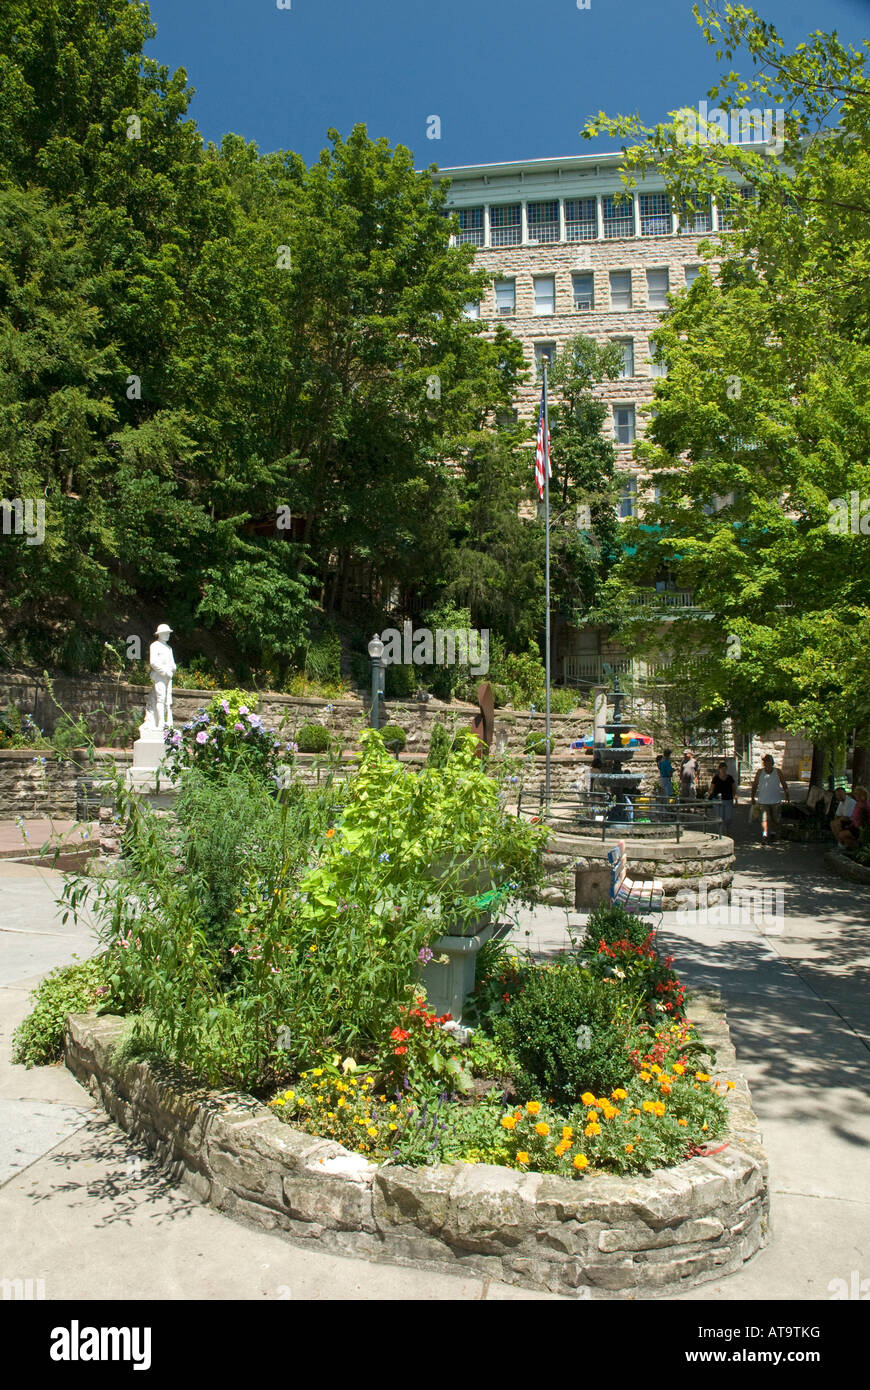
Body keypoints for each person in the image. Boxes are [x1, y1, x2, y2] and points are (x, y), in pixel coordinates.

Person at [750, 754, 790, 842]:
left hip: (775, 801)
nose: (766, 763)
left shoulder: (778, 772)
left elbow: (784, 783)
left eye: (768, 761)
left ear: (772, 763)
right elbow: (755, 785)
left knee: (775, 819)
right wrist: (752, 797)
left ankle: (773, 833)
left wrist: (787, 794)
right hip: (763, 801)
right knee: (764, 820)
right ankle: (764, 835)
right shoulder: (760, 772)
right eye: (765, 762)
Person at [146, 623, 176, 732]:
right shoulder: (155, 646)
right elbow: (153, 662)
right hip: (159, 676)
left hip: (168, 677)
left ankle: (167, 723)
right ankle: (161, 723)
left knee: (168, 701)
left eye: (168, 633)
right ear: (160, 634)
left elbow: (172, 664)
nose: (168, 635)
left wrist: (172, 669)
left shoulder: (169, 648)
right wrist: (164, 672)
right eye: (166, 633)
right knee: (161, 698)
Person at [709, 760, 737, 827]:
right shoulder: (715, 778)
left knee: (728, 818)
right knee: (719, 818)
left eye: (725, 769)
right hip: (718, 800)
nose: (723, 770)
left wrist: (735, 798)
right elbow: (711, 789)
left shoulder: (730, 778)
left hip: (728, 799)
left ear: (727, 769)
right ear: (719, 769)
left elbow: (734, 789)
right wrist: (710, 795)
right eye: (722, 769)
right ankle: (720, 833)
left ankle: (727, 830)